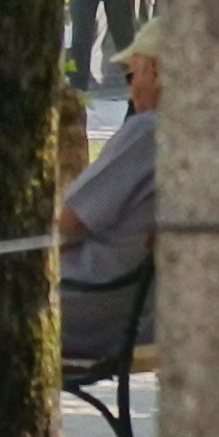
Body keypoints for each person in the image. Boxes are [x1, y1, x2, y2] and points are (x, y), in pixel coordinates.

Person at [55, 36, 161, 370]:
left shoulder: (149, 132)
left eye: (132, 75)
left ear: (157, 71)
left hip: (89, 306)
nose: (131, 90)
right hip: (143, 313)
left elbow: (64, 225)